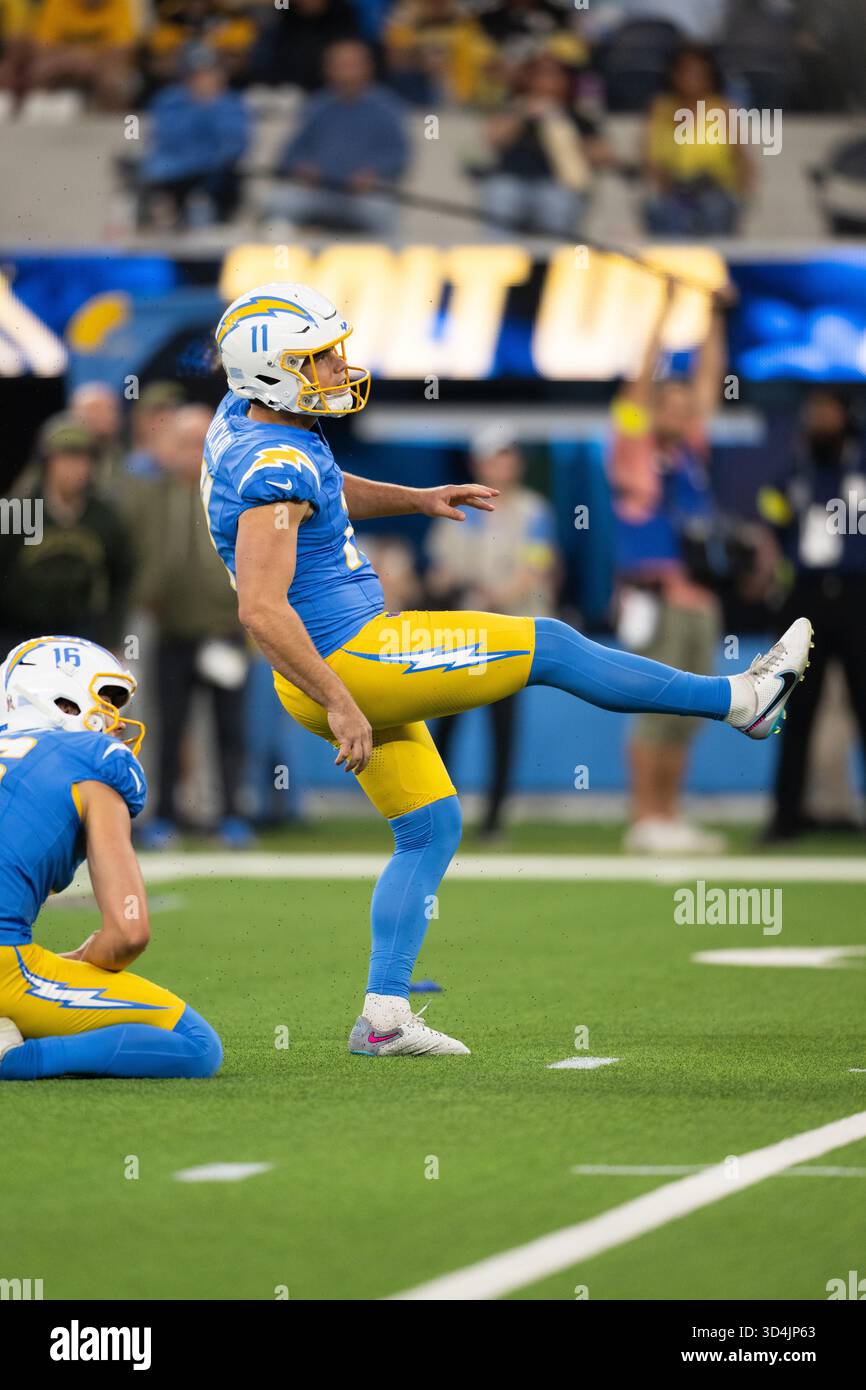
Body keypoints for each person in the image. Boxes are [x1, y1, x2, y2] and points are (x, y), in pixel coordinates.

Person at [200, 280, 812, 1057]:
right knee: (550, 644)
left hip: (335, 661)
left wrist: (415, 499)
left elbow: (325, 488)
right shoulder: (272, 462)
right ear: (271, 370)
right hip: (349, 659)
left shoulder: (250, 422)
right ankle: (741, 700)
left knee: (429, 828)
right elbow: (260, 607)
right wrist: (345, 702)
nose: (335, 367)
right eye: (316, 358)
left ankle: (383, 1018)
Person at [0, 635, 222, 1080]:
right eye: (105, 699)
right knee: (198, 1048)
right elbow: (128, 934)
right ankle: (15, 1059)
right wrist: (82, 957)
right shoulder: (92, 765)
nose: (117, 722)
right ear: (59, 699)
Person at [609, 279, 731, 855]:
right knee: (657, 706)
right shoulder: (633, 446)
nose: (682, 412)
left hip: (697, 599)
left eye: (687, 409)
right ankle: (645, 817)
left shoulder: (690, 452)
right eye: (671, 405)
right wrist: (661, 305)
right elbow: (639, 383)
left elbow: (708, 380)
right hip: (655, 596)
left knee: (688, 711)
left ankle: (671, 817)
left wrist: (712, 315)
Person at [426, 427, 558, 838]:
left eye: (510, 455)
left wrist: (494, 593)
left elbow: (536, 569)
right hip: (464, 633)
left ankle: (495, 819)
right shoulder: (459, 507)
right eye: (496, 456)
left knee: (503, 723)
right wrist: (455, 583)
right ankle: (436, 810)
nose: (505, 463)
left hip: (512, 631)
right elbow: (439, 570)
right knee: (447, 721)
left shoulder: (535, 511)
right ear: (480, 463)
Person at [134, 405, 252, 850]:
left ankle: (232, 816)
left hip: (225, 630)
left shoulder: (235, 492)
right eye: (185, 443)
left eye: (201, 443)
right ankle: (164, 816)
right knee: (168, 727)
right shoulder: (151, 495)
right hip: (171, 630)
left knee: (229, 728)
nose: (193, 453)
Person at [759, 389, 866, 842]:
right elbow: (771, 523)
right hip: (807, 599)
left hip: (858, 595)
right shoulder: (794, 476)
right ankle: (786, 817)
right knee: (796, 708)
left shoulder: (859, 472)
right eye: (813, 413)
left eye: (828, 412)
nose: (819, 420)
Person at [0, 415, 134, 657]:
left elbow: (122, 578)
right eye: (66, 457)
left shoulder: (103, 517)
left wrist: (113, 638)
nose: (75, 468)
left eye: (83, 459)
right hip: (18, 633)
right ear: (47, 462)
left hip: (79, 633)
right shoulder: (18, 511)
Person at [264, 40, 409, 236]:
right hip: (317, 192)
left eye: (352, 65)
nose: (346, 72)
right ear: (328, 69)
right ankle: (282, 263)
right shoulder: (317, 105)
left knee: (381, 210)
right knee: (278, 202)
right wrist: (302, 167)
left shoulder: (387, 107)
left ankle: (386, 263)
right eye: (339, 65)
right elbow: (289, 154)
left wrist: (373, 173)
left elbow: (398, 154)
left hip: (362, 196)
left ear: (368, 67)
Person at [480, 52, 614, 237]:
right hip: (513, 180)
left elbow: (604, 155)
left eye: (554, 76)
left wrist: (564, 127)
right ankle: (498, 261)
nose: (546, 82)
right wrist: (522, 113)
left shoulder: (577, 116)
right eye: (539, 75)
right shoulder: (513, 109)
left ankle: (550, 262)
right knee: (502, 194)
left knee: (557, 202)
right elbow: (494, 138)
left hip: (557, 184)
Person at [641, 43, 752, 236]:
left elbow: (742, 160)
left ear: (709, 77)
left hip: (715, 190)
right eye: (686, 72)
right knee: (662, 211)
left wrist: (740, 198)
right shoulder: (660, 109)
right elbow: (650, 157)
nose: (691, 78)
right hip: (674, 190)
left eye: (698, 73)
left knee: (714, 210)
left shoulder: (723, 109)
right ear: (674, 75)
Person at [137, 44, 251, 231]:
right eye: (196, 74)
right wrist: (199, 108)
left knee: (216, 183)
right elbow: (163, 139)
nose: (203, 80)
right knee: (148, 177)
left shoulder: (232, 104)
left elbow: (234, 145)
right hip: (171, 172)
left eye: (209, 73)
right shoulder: (168, 101)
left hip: (212, 174)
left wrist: (209, 107)